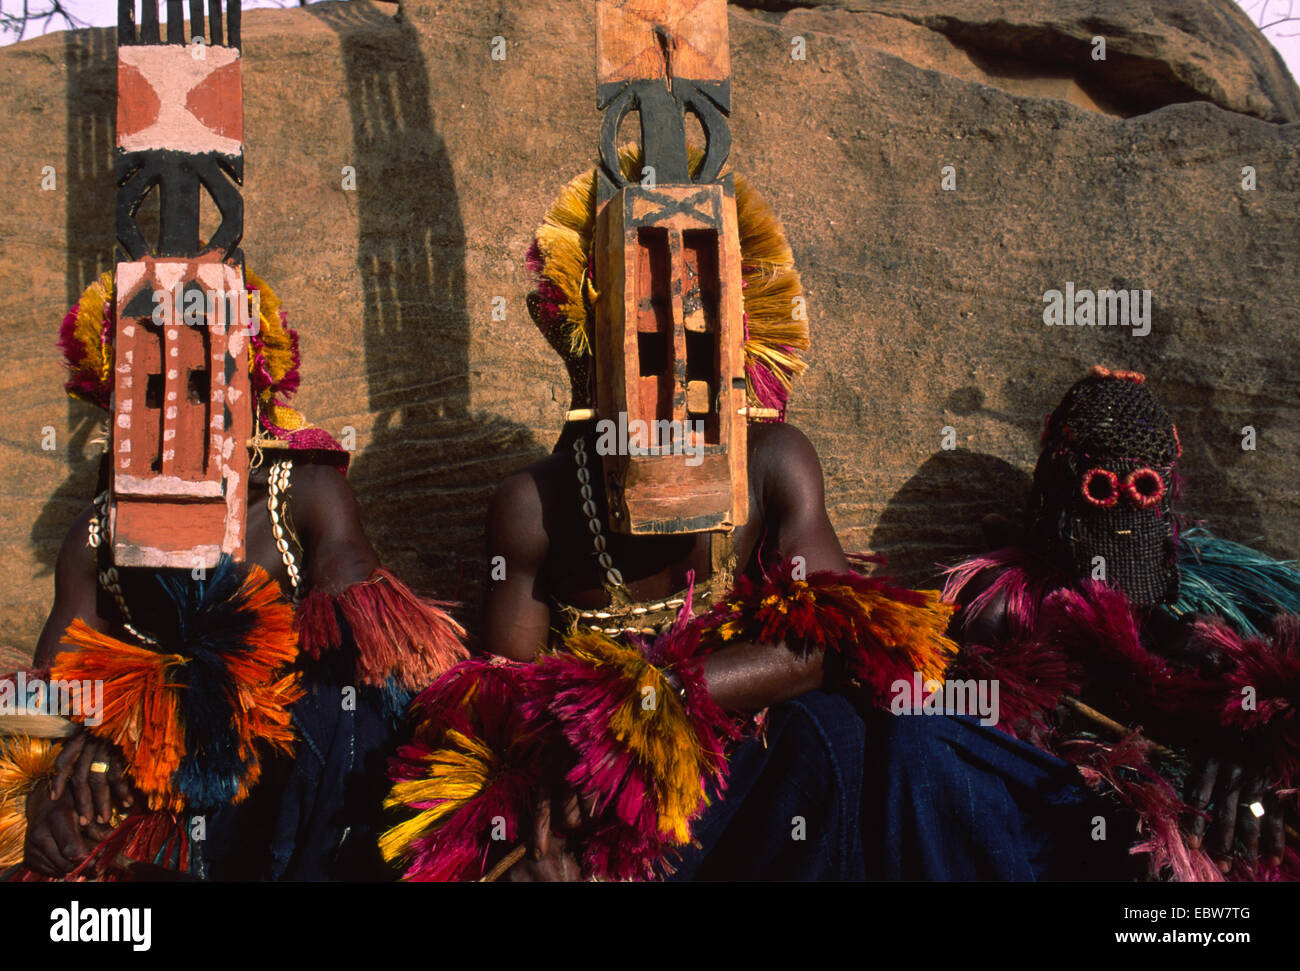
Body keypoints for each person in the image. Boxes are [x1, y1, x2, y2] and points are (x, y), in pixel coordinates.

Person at [943, 365, 1300, 880]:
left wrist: (1267, 752)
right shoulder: (1003, 609)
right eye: (1101, 486)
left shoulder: (1204, 618)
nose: (1124, 505)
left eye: (1146, 485)